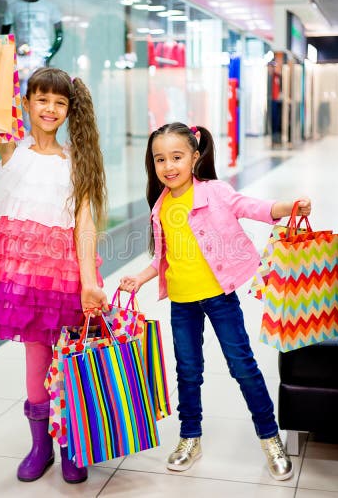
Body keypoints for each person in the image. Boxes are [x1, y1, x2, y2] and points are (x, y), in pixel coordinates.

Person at [118, 122, 311, 480]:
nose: (168, 166)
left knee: (243, 367)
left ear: (194, 156)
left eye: (176, 157)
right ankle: (190, 437)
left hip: (220, 298)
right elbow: (165, 257)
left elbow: (255, 207)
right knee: (188, 373)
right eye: (160, 159)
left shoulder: (215, 192)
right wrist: (141, 279)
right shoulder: (160, 206)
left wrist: (291, 206)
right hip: (182, 302)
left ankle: (270, 437)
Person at [0, 66, 108, 484]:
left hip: (68, 278)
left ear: (69, 110)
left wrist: (89, 281)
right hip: (24, 283)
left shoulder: (77, 160)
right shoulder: (12, 150)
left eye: (59, 102)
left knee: (70, 362)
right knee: (36, 360)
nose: (50, 109)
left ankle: (72, 444)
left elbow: (84, 226)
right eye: (42, 99)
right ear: (26, 102)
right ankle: (40, 446)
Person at [2, 0, 64, 82]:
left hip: (43, 59)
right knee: (22, 93)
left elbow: (59, 35)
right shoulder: (14, 8)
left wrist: (49, 55)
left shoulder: (50, 7)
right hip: (22, 60)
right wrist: (13, 52)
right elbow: (4, 36)